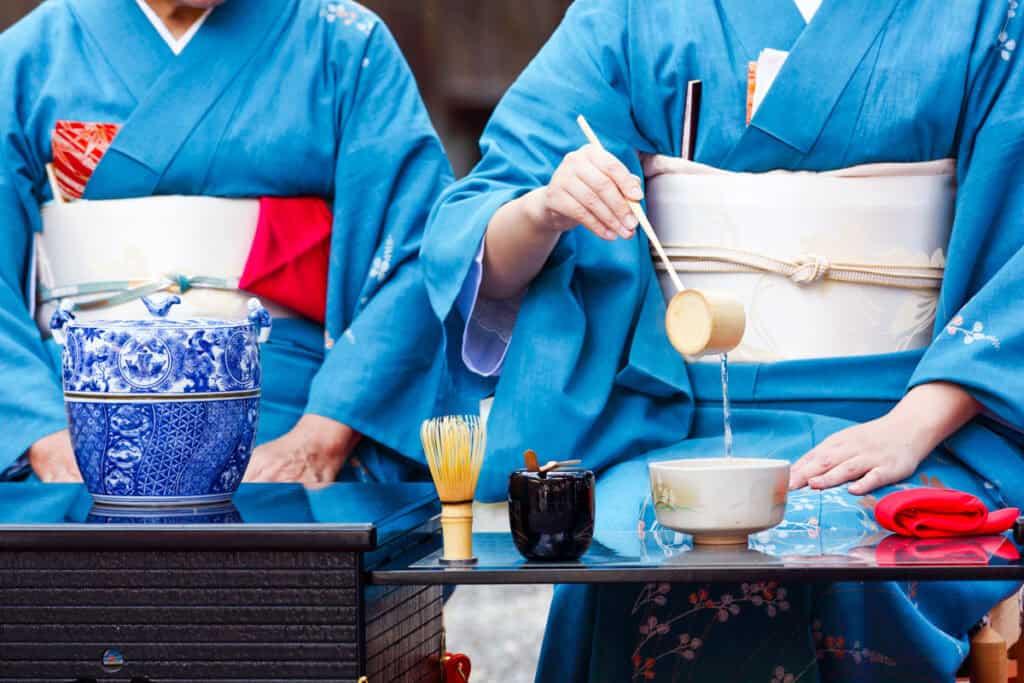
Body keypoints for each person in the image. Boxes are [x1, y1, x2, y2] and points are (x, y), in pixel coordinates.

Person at [423, 0, 1024, 680]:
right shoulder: (630, 14)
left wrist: (915, 422)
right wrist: (545, 210)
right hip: (676, 423)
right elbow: (483, 236)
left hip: (912, 418)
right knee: (638, 551)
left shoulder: (987, 13)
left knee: (854, 555)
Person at [0, 0, 462, 487]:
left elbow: (418, 250)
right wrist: (42, 438)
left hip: (291, 428)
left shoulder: (342, 43)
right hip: (78, 432)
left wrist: (323, 436)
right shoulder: (32, 55)